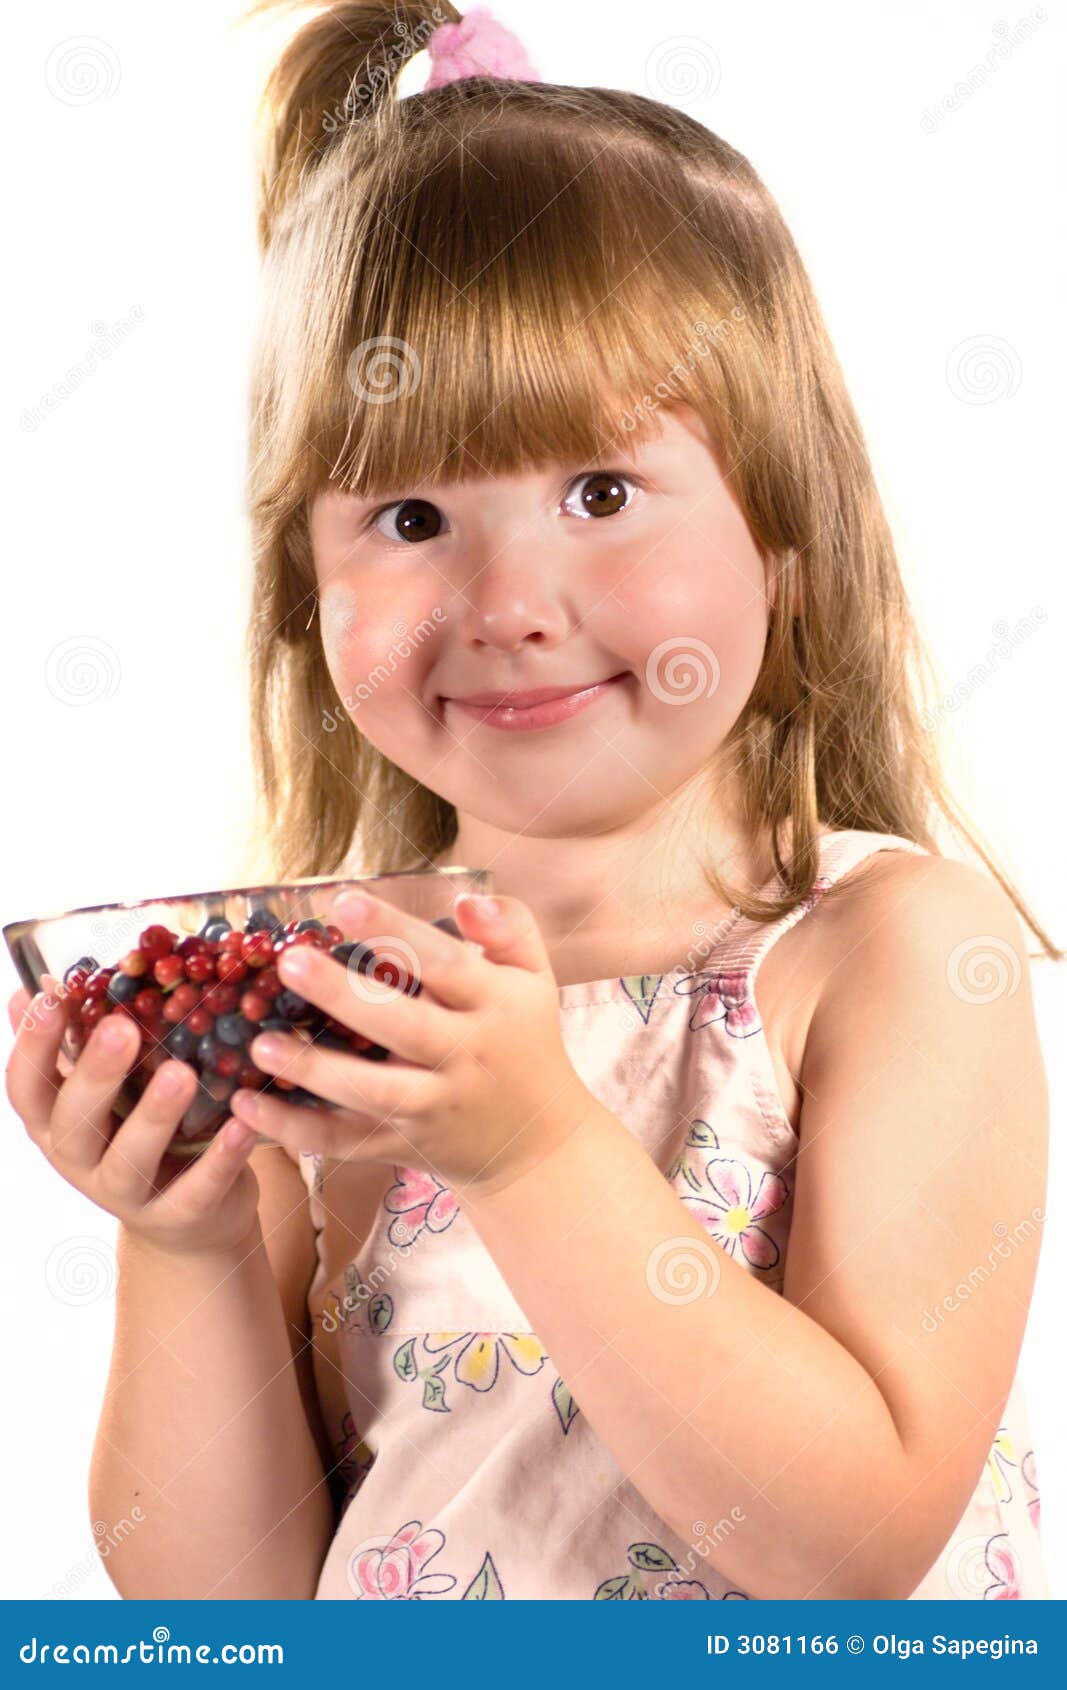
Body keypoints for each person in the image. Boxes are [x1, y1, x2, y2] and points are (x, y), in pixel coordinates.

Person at [6, 0, 1059, 1601]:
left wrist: (530, 1150)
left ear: (786, 524)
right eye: (411, 511)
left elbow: (854, 1555)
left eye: (601, 491)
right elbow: (228, 1610)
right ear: (303, 578)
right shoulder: (325, 1002)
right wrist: (189, 1238)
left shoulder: (891, 951)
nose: (510, 599)